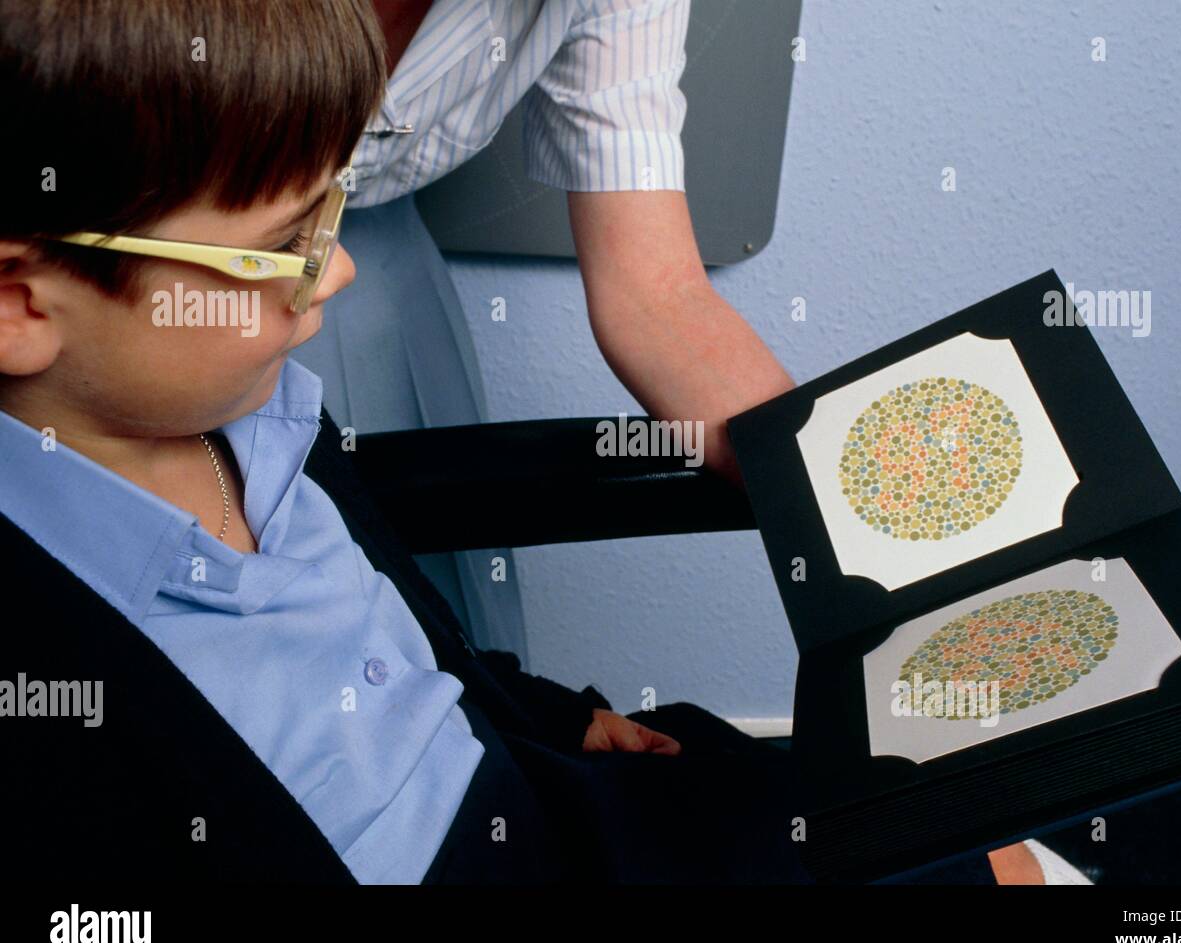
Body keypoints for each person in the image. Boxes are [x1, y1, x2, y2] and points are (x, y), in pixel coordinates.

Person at [0, 0, 1063, 884]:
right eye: (289, 248)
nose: (338, 272)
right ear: (19, 299)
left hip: (515, 782)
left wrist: (868, 505)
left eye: (330, 218)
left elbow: (394, 635)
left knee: (953, 833)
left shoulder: (260, 403)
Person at [289, 0, 799, 661]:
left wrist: (822, 487)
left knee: (442, 642)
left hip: (370, 244)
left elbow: (657, 295)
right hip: (167, 265)